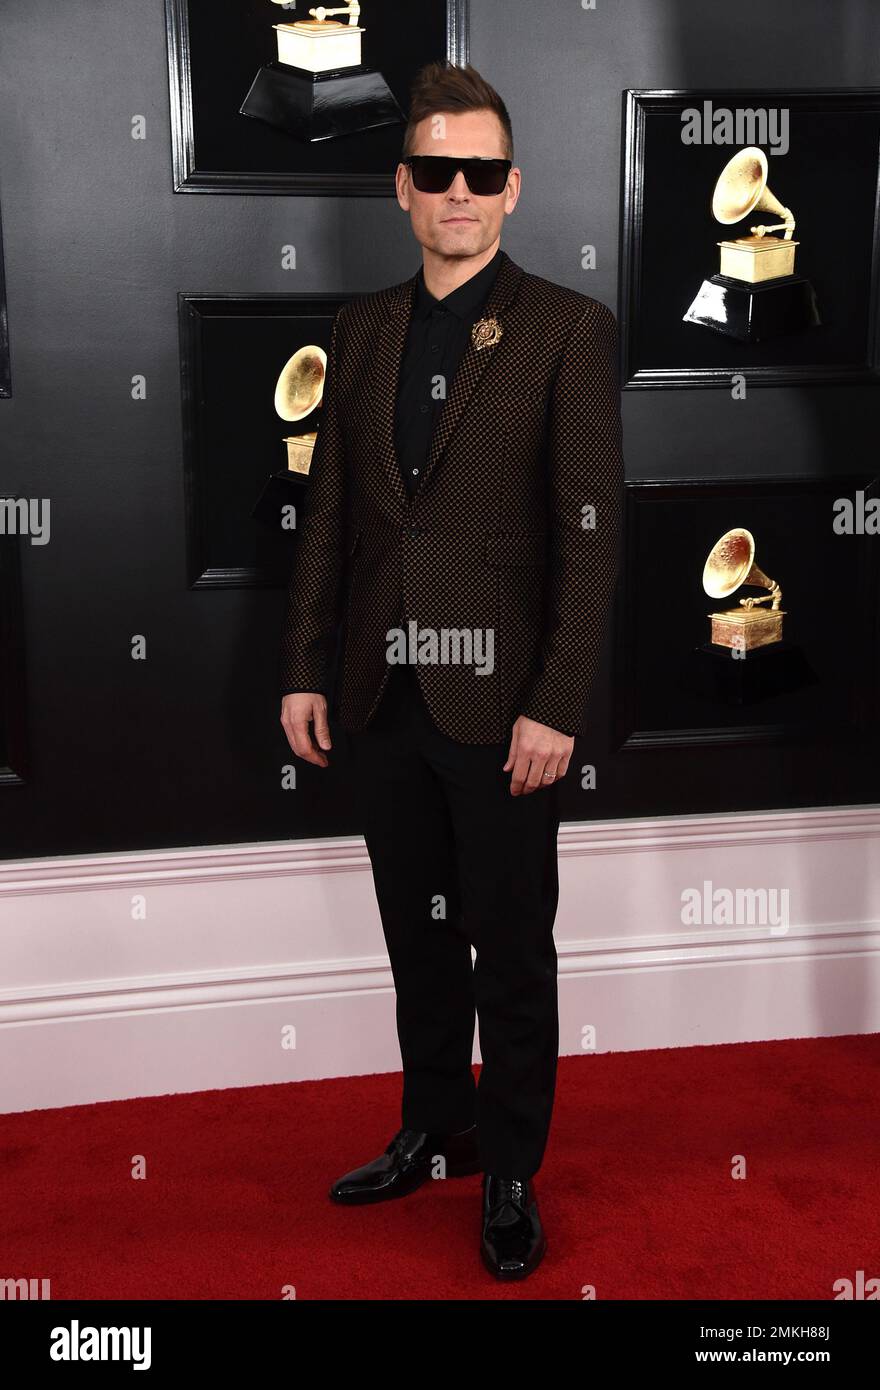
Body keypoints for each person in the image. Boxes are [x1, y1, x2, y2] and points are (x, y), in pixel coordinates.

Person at [279, 59, 624, 1282]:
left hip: (499, 707)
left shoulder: (567, 332)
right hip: (378, 693)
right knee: (415, 936)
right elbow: (330, 511)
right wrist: (306, 667)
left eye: (481, 172)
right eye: (437, 172)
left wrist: (555, 702)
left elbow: (591, 536)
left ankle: (514, 1172)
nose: (458, 192)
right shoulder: (361, 327)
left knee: (508, 942)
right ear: (404, 186)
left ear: (512, 188)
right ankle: (435, 1130)